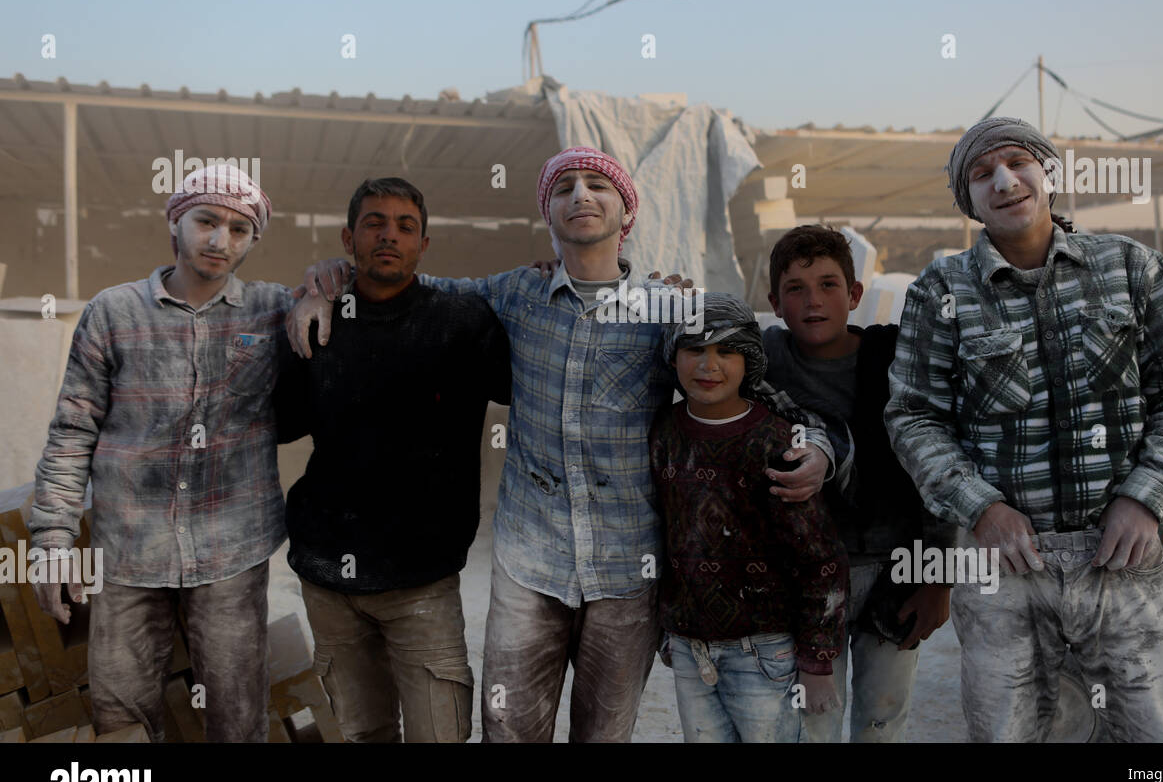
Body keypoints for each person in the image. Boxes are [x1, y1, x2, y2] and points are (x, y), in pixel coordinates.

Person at [289, 146, 839, 742]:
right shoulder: (513, 294)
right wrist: (329, 277)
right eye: (563, 188)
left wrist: (822, 449)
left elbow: (767, 397)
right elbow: (401, 283)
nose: (580, 196)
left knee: (602, 736)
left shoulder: (671, 310)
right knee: (509, 730)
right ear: (547, 215)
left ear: (625, 213)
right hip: (531, 565)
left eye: (597, 186)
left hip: (626, 572)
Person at [885, 116, 1163, 742]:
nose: (1004, 181)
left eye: (1018, 163)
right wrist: (981, 509)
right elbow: (913, 415)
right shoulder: (940, 291)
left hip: (1123, 555)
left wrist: (1144, 499)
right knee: (1008, 733)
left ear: (1048, 173)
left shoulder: (1130, 267)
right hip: (1004, 566)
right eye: (981, 175)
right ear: (969, 201)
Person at [27, 163, 290, 742]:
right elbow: (72, 431)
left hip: (231, 551)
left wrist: (327, 287)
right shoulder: (112, 312)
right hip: (128, 552)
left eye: (240, 229)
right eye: (207, 221)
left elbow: (357, 294)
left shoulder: (273, 310)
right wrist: (52, 541)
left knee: (239, 722)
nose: (221, 241)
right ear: (176, 223)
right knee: (121, 719)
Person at [276, 177, 511, 742]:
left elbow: (516, 385)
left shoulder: (463, 322)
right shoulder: (319, 321)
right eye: (374, 222)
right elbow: (284, 424)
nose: (390, 235)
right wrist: (305, 300)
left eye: (406, 227)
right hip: (329, 576)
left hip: (422, 582)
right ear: (348, 237)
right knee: (358, 735)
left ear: (424, 246)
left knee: (440, 735)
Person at [763, 224, 954, 743]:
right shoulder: (765, 359)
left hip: (895, 568)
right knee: (812, 719)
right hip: (803, 577)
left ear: (854, 295)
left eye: (828, 285)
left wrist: (939, 579)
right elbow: (691, 351)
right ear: (775, 303)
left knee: (882, 716)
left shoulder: (895, 361)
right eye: (795, 289)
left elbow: (938, 467)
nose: (813, 301)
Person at [653, 293, 847, 742]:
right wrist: (669, 627)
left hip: (763, 651)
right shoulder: (663, 432)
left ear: (750, 361)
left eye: (726, 351)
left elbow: (820, 558)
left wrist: (818, 660)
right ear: (674, 357)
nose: (708, 365)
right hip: (689, 649)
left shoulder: (775, 441)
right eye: (695, 350)